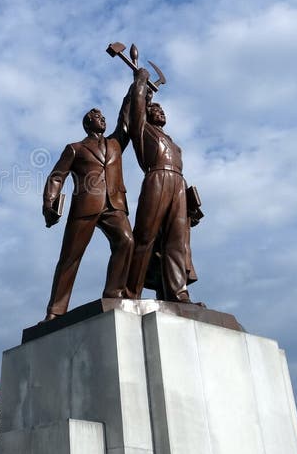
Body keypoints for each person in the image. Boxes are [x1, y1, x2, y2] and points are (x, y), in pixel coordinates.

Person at [42, 102, 133, 322]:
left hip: (114, 204)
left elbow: (126, 121)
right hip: (85, 204)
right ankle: (55, 311)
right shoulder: (75, 148)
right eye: (96, 116)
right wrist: (49, 204)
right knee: (71, 257)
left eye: (103, 116)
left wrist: (136, 86)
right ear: (87, 122)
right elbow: (57, 176)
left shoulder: (115, 143)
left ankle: (114, 294)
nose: (102, 118)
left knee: (126, 242)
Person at [125, 67, 197, 302]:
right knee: (145, 237)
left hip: (178, 182)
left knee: (176, 241)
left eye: (162, 109)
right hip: (157, 178)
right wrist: (141, 81)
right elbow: (136, 107)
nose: (160, 111)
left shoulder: (173, 143)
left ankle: (178, 293)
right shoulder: (142, 130)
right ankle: (130, 292)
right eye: (155, 109)